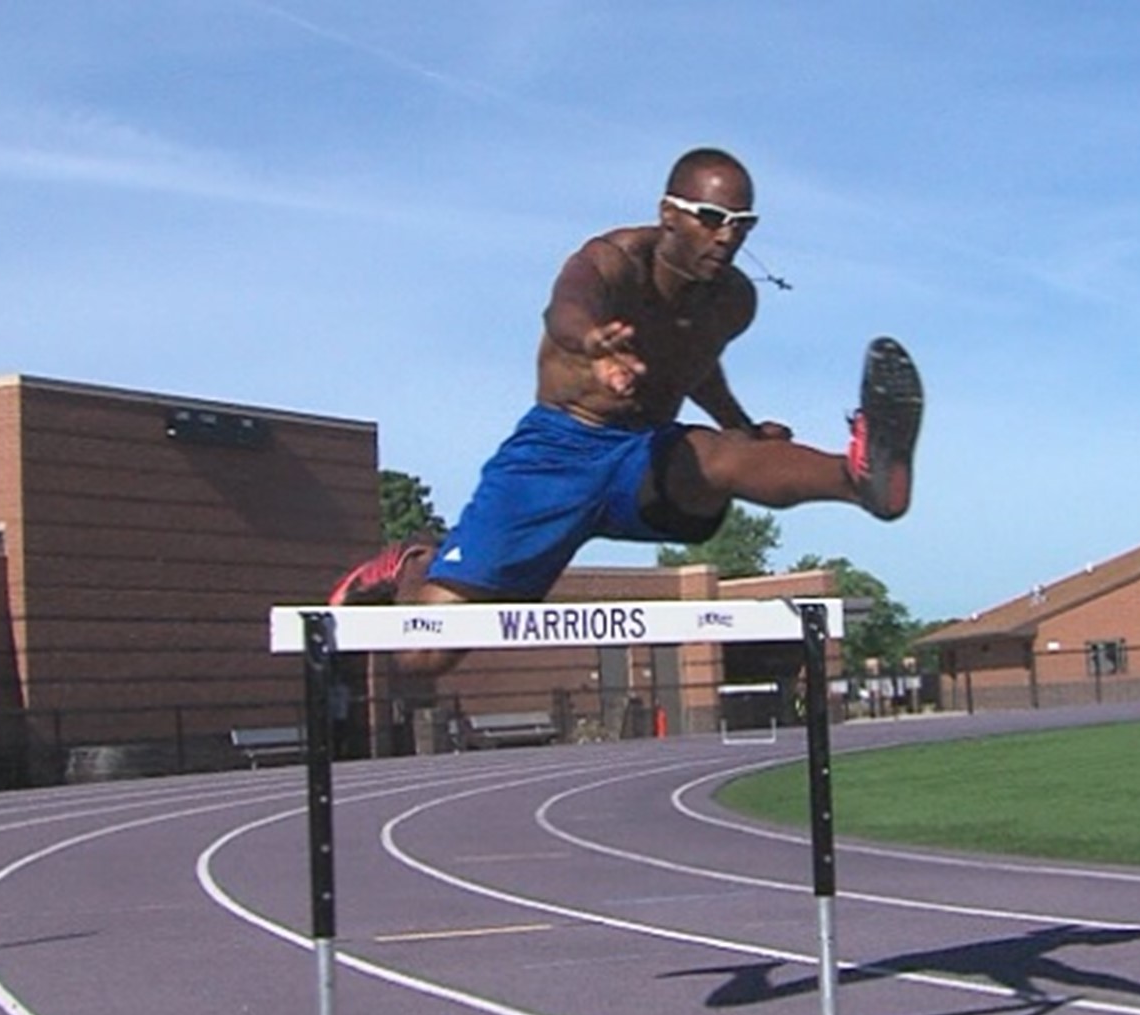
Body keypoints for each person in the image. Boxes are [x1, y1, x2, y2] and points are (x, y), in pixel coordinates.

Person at [328, 147, 923, 671]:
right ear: (670, 214)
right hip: (556, 454)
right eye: (712, 219)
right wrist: (594, 344)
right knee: (423, 656)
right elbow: (566, 308)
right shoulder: (612, 260)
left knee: (724, 457)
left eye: (743, 224)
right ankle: (415, 563)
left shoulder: (734, 301)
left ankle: (859, 479)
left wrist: (740, 425)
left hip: (640, 456)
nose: (727, 237)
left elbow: (698, 363)